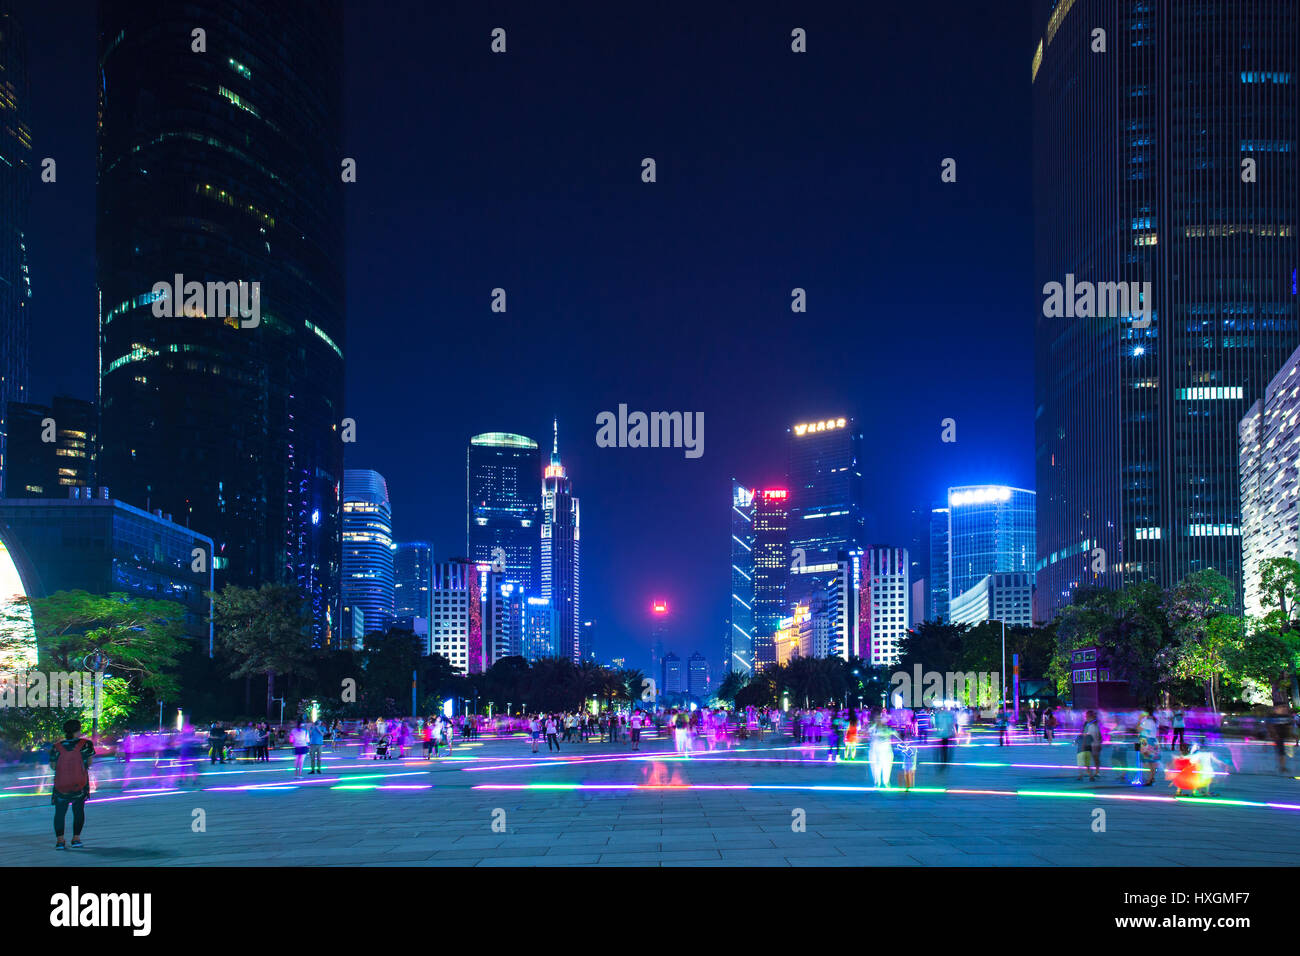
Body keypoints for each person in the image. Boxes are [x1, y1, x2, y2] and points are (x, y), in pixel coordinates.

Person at [50, 719, 95, 850]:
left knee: (59, 813)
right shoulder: (86, 744)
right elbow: (89, 763)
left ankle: (60, 841)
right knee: (78, 811)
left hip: (61, 785)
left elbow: (53, 766)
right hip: (79, 784)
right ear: (78, 730)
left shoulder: (56, 746)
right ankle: (76, 839)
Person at [867, 715, 897, 788]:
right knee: (876, 767)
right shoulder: (872, 728)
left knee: (886, 766)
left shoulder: (887, 729)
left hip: (886, 751)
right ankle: (877, 782)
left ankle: (886, 781)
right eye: (877, 719)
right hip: (876, 751)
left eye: (879, 719)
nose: (878, 721)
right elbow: (867, 735)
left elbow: (896, 734)